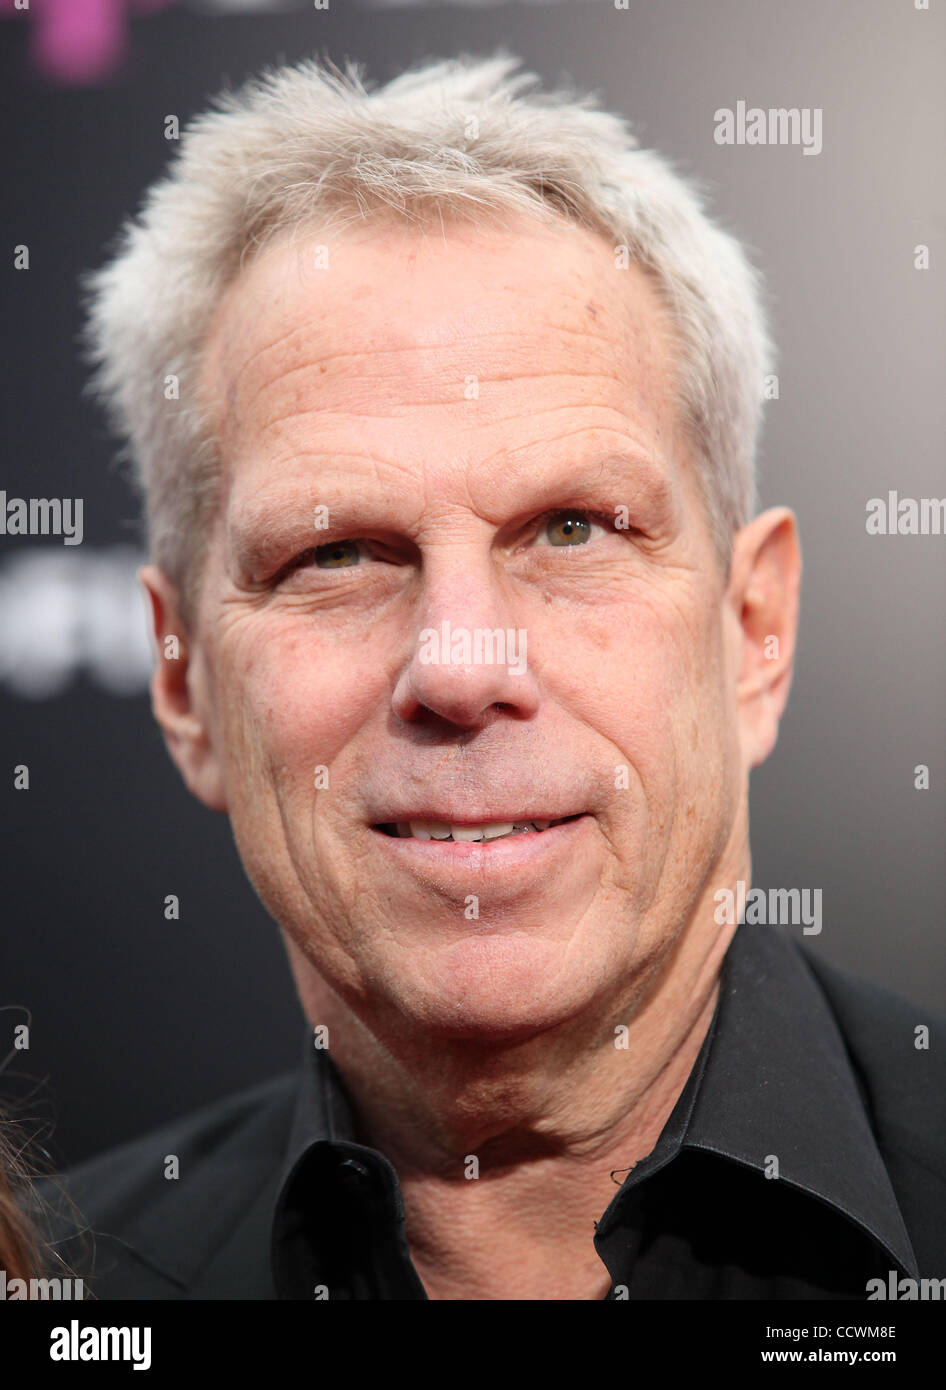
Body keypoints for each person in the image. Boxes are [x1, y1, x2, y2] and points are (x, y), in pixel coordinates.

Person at [30, 53, 945, 1300]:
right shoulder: (58, 1289)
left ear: (752, 631)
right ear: (183, 682)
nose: (461, 667)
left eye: (573, 527)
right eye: (337, 551)